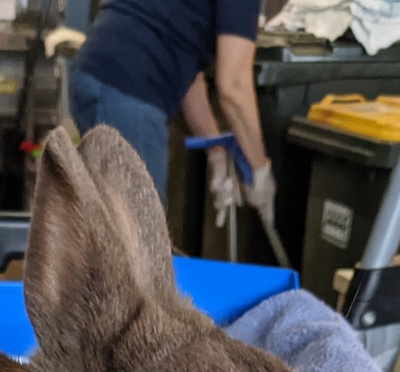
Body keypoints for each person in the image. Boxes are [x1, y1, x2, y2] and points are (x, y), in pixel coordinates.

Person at [70, 0, 276, 230]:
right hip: (131, 92)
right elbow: (234, 86)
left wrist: (216, 151)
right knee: (144, 236)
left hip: (93, 75)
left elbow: (190, 80)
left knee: (112, 228)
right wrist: (260, 169)